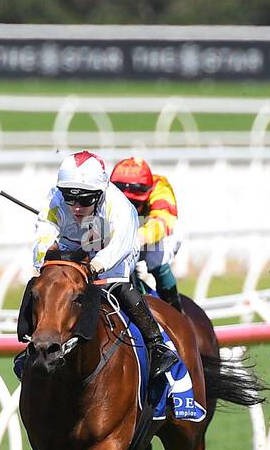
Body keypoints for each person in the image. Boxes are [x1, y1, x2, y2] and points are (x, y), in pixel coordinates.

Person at [32, 150, 173, 379]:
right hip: (71, 249)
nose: (76, 207)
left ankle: (157, 346)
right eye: (70, 197)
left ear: (100, 193)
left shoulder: (120, 208)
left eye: (85, 199)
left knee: (117, 286)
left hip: (114, 252)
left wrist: (95, 265)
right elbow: (44, 233)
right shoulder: (54, 199)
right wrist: (49, 258)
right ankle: (27, 347)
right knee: (41, 287)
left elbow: (120, 246)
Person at [111, 156, 183, 311]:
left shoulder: (160, 188)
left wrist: (138, 238)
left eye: (135, 203)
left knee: (155, 260)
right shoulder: (106, 190)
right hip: (127, 231)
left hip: (160, 233)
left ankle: (177, 313)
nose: (130, 208)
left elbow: (161, 223)